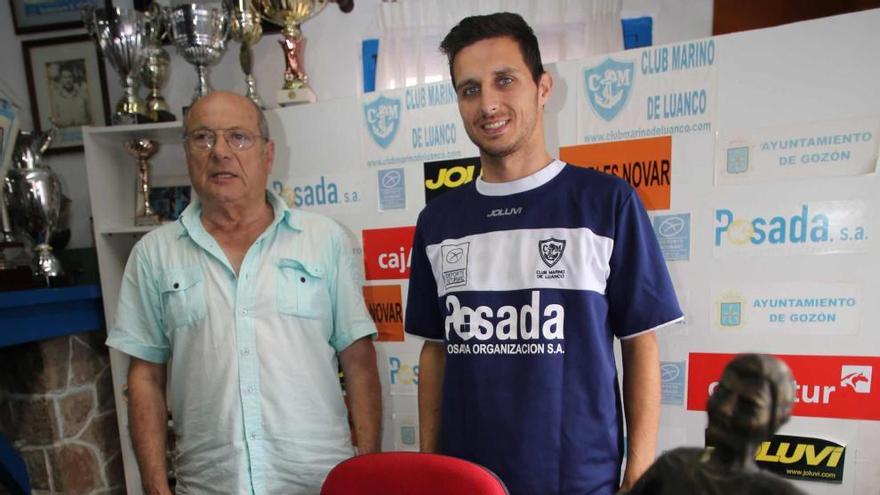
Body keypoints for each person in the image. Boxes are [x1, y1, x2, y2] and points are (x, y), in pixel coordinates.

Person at [404, 12, 683, 495]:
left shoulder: (608, 203)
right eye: (469, 89)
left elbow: (640, 342)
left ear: (543, 87)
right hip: (467, 480)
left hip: (578, 480)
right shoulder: (438, 221)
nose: (488, 103)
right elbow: (435, 352)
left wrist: (637, 475)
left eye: (504, 81)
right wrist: (431, 465)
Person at [106, 91, 381, 494]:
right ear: (186, 153)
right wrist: (155, 489)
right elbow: (145, 376)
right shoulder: (154, 254)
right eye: (203, 138)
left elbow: (358, 362)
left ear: (267, 153)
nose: (220, 152)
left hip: (317, 482)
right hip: (210, 483)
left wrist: (368, 475)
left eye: (238, 137)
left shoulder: (324, 240)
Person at [623, 354, 806, 495]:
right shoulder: (673, 466)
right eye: (722, 392)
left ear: (776, 420)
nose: (725, 409)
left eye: (748, 405)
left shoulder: (777, 492)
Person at [49, 63, 92, 127]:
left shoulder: (83, 96)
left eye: (70, 77)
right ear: (61, 79)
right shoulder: (56, 99)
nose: (68, 80)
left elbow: (90, 118)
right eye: (65, 77)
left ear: (73, 78)